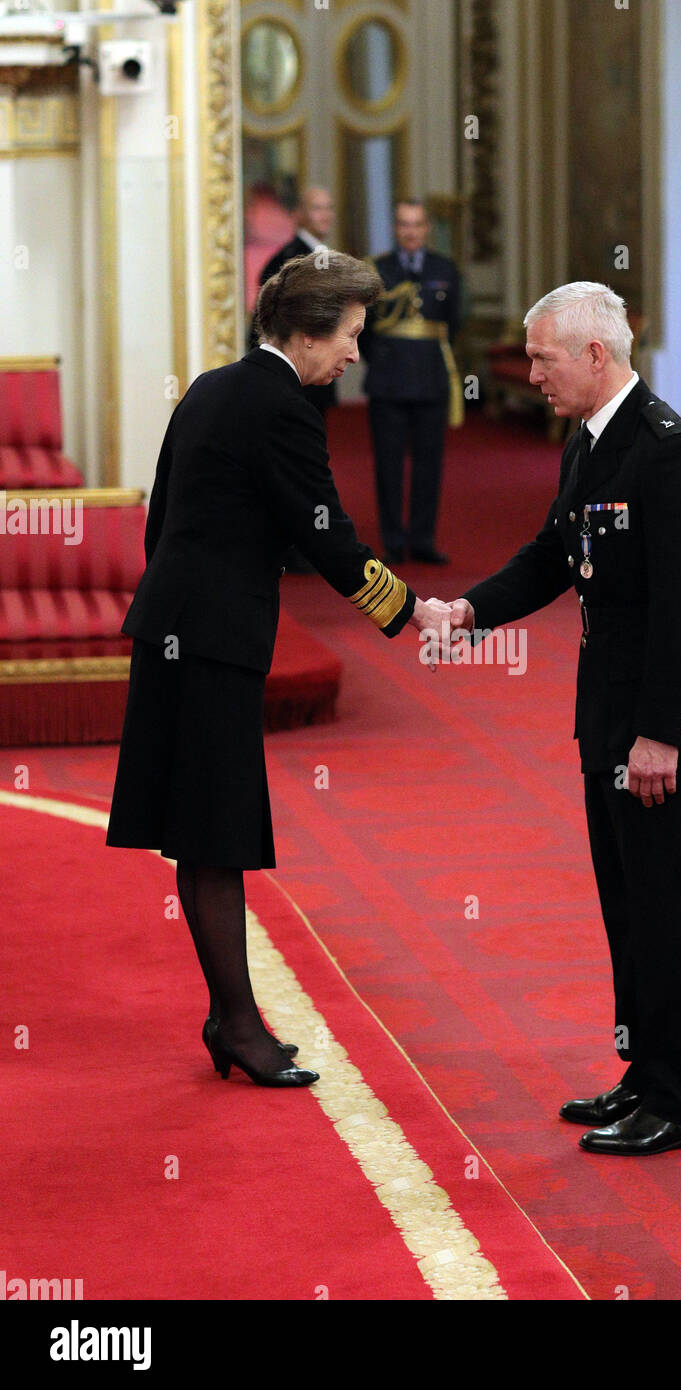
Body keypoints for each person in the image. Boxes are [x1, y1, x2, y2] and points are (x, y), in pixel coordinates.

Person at [107, 251, 448, 1088]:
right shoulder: (283, 407)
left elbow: (161, 518)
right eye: (350, 336)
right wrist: (411, 612)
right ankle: (236, 1026)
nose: (356, 354)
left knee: (202, 832)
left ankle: (233, 1018)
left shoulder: (212, 387)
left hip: (175, 631)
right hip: (212, 644)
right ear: (305, 332)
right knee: (216, 833)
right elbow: (327, 535)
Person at [442, 282, 681, 1156]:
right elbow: (553, 554)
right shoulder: (589, 440)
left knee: (666, 908)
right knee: (628, 905)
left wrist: (659, 735)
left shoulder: (668, 452)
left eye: (543, 358)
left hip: (663, 728)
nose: (532, 372)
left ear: (594, 355)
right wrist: (469, 611)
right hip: (610, 717)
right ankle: (646, 1073)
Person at [360, 199, 462, 566]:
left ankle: (422, 540)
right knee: (388, 465)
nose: (411, 231)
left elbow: (454, 323)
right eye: (404, 224)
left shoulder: (445, 268)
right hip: (387, 382)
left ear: (427, 229)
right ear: (395, 229)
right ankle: (391, 541)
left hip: (431, 381)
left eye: (417, 224)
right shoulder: (376, 270)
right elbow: (364, 328)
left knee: (428, 464)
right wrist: (382, 360)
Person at [250, 187, 338, 421]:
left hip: (313, 370)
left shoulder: (319, 256)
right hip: (297, 373)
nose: (325, 215)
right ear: (298, 214)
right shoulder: (292, 259)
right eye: (317, 208)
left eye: (329, 208)